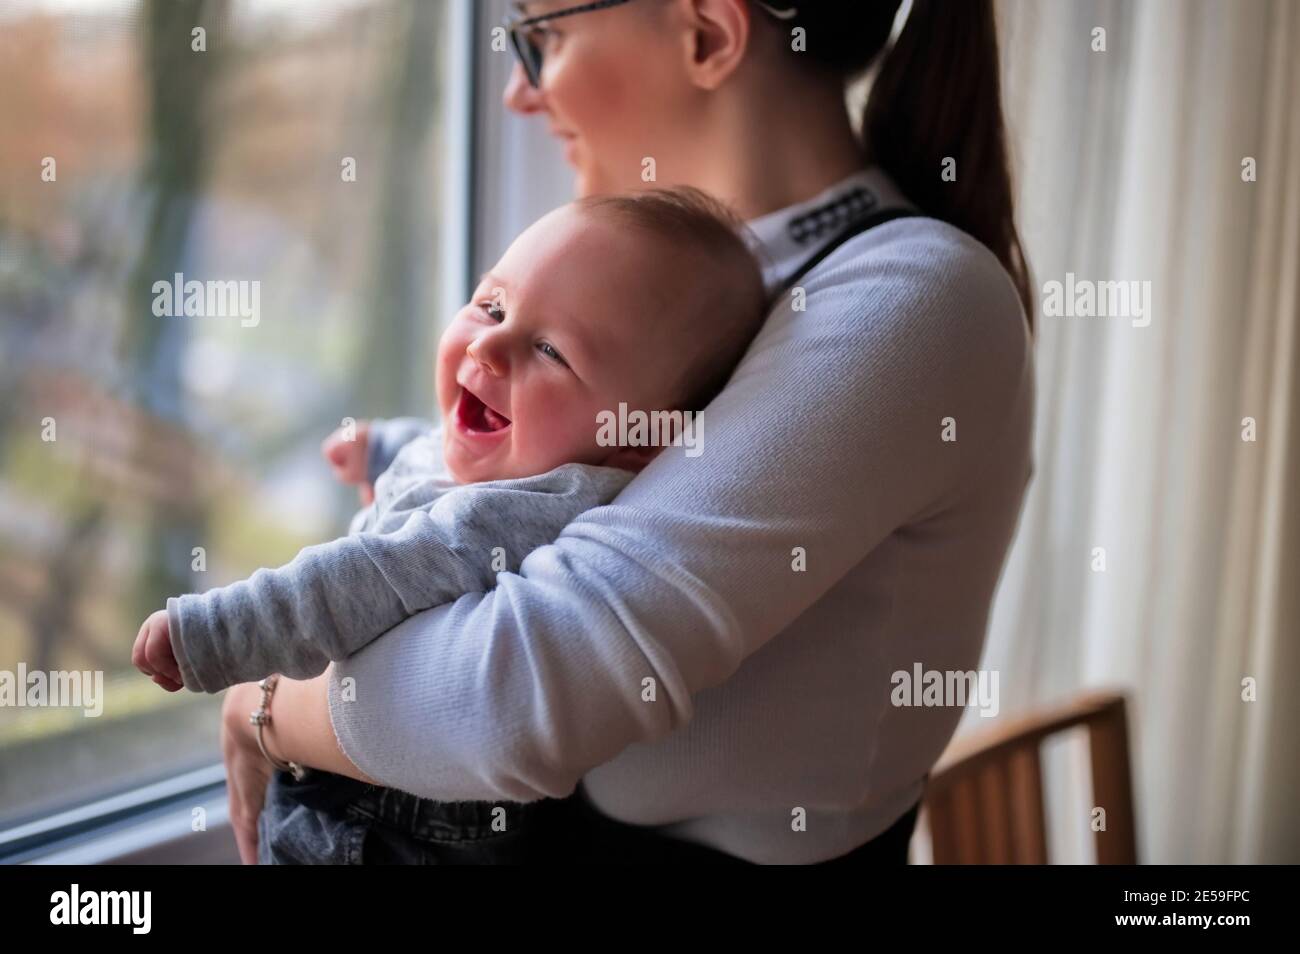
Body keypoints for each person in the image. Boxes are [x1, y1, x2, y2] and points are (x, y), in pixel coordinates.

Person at [220, 0, 1036, 865]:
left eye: (544, 39)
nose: (516, 96)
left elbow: (510, 698)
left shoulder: (912, 298)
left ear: (707, 34)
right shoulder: (679, 297)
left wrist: (267, 702)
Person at [131, 188, 767, 862]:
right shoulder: (536, 457)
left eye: (552, 351)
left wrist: (220, 633)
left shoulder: (505, 515)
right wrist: (384, 447)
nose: (489, 343)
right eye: (491, 305)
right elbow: (445, 454)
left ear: (638, 439)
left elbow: (366, 578)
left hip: (389, 825)